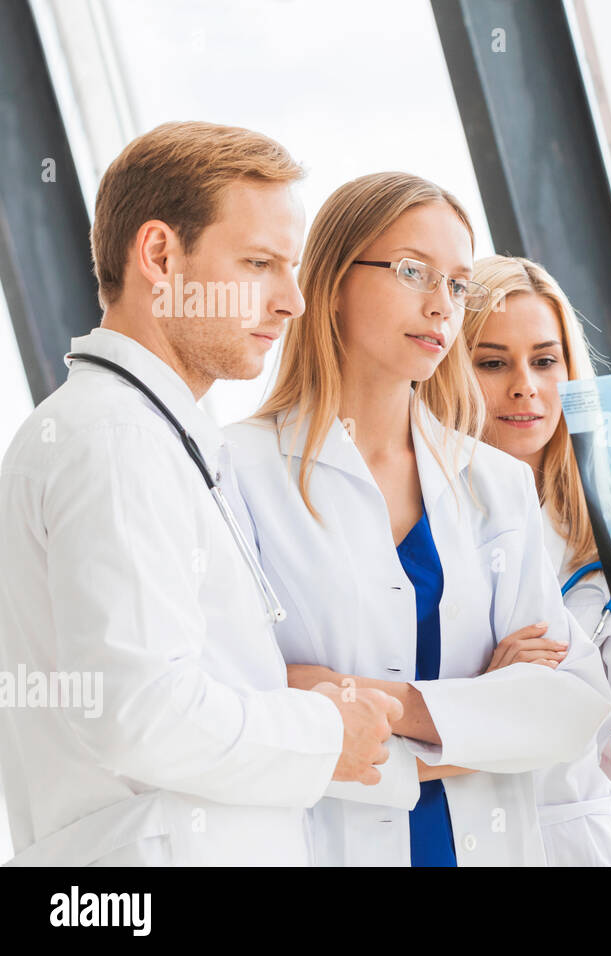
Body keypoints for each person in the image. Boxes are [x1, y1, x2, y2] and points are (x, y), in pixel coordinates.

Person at [0, 121, 399, 866]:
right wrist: (322, 732)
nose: (292, 302)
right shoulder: (114, 440)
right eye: (258, 263)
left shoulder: (146, 435)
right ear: (159, 255)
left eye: (293, 268)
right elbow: (139, 714)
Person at [224, 173, 611, 867]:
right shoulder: (240, 471)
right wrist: (479, 716)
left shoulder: (495, 483)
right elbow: (239, 703)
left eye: (457, 285)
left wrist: (384, 708)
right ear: (334, 280)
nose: (442, 307)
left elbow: (572, 707)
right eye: (413, 273)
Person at [462, 254, 611, 866]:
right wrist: (492, 698)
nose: (525, 386)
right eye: (492, 363)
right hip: (451, 829)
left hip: (576, 843)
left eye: (545, 360)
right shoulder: (416, 513)